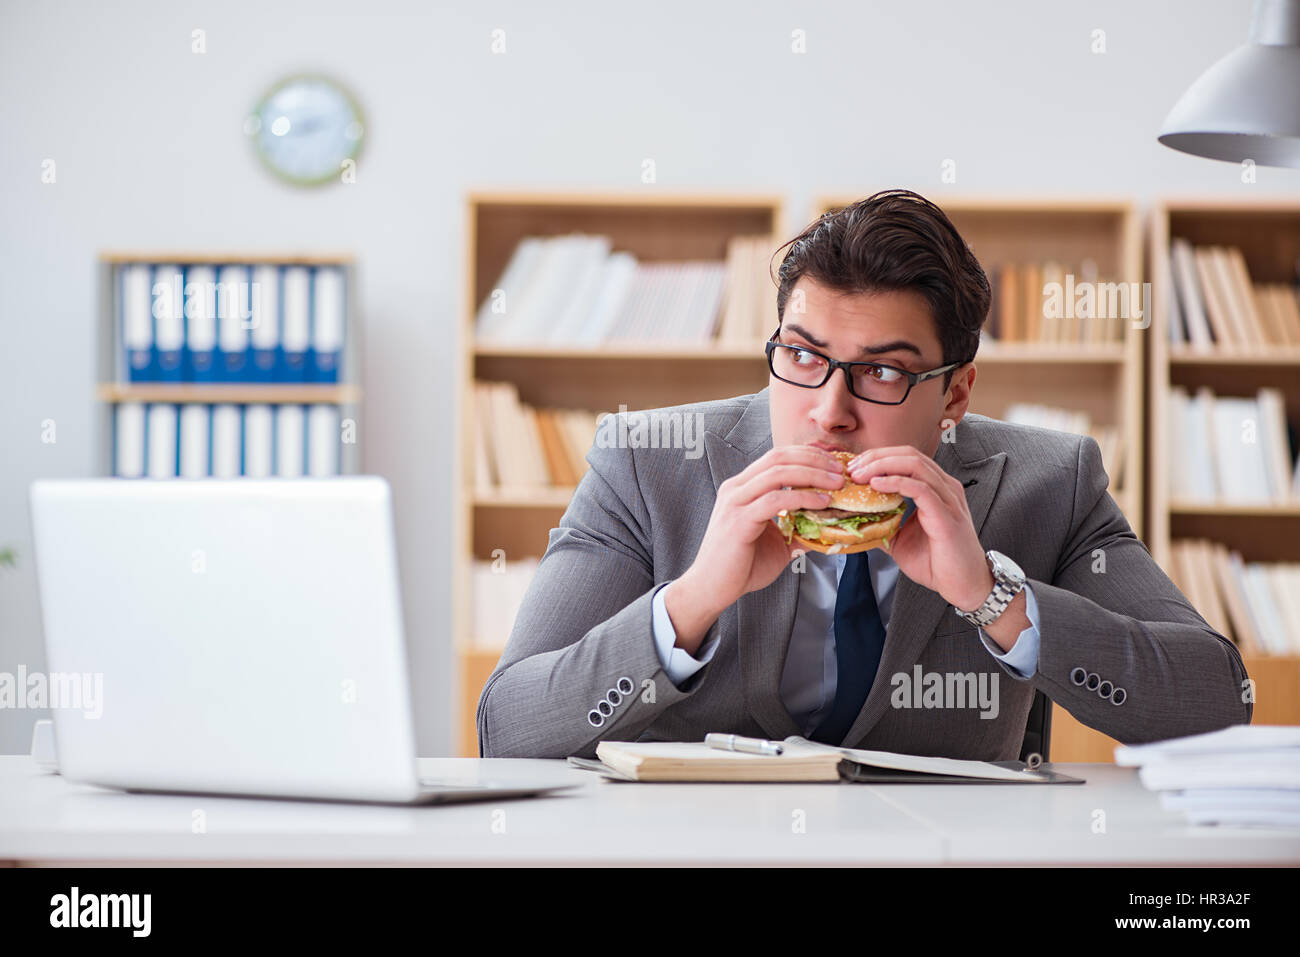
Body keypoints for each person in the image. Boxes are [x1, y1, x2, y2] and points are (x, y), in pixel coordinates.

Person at [476, 189, 1252, 761]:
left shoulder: (1052, 481)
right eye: (804, 357)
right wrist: (691, 601)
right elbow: (508, 729)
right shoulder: (645, 463)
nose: (829, 412)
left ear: (954, 392)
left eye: (881, 371)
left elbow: (1218, 705)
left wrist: (992, 595)